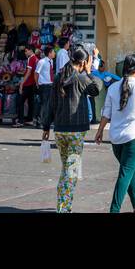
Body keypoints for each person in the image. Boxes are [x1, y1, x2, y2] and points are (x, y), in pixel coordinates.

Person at [95, 54, 135, 213]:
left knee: (128, 170)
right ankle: (114, 210)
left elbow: (106, 113)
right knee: (126, 172)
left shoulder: (113, 87)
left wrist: (100, 131)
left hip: (116, 138)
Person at [43, 46, 100, 213]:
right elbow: (97, 88)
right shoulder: (81, 78)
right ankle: (64, 207)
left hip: (60, 130)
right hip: (75, 131)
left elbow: (51, 103)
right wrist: (89, 72)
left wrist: (46, 126)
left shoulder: (60, 76)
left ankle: (64, 202)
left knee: (66, 169)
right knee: (72, 171)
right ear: (83, 62)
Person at [33, 42, 55, 128]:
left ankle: (46, 120)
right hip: (44, 86)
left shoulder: (51, 61)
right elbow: (36, 73)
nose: (54, 53)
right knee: (44, 104)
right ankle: (40, 121)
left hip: (50, 85)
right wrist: (37, 84)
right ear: (49, 53)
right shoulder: (41, 61)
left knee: (48, 104)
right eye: (53, 52)